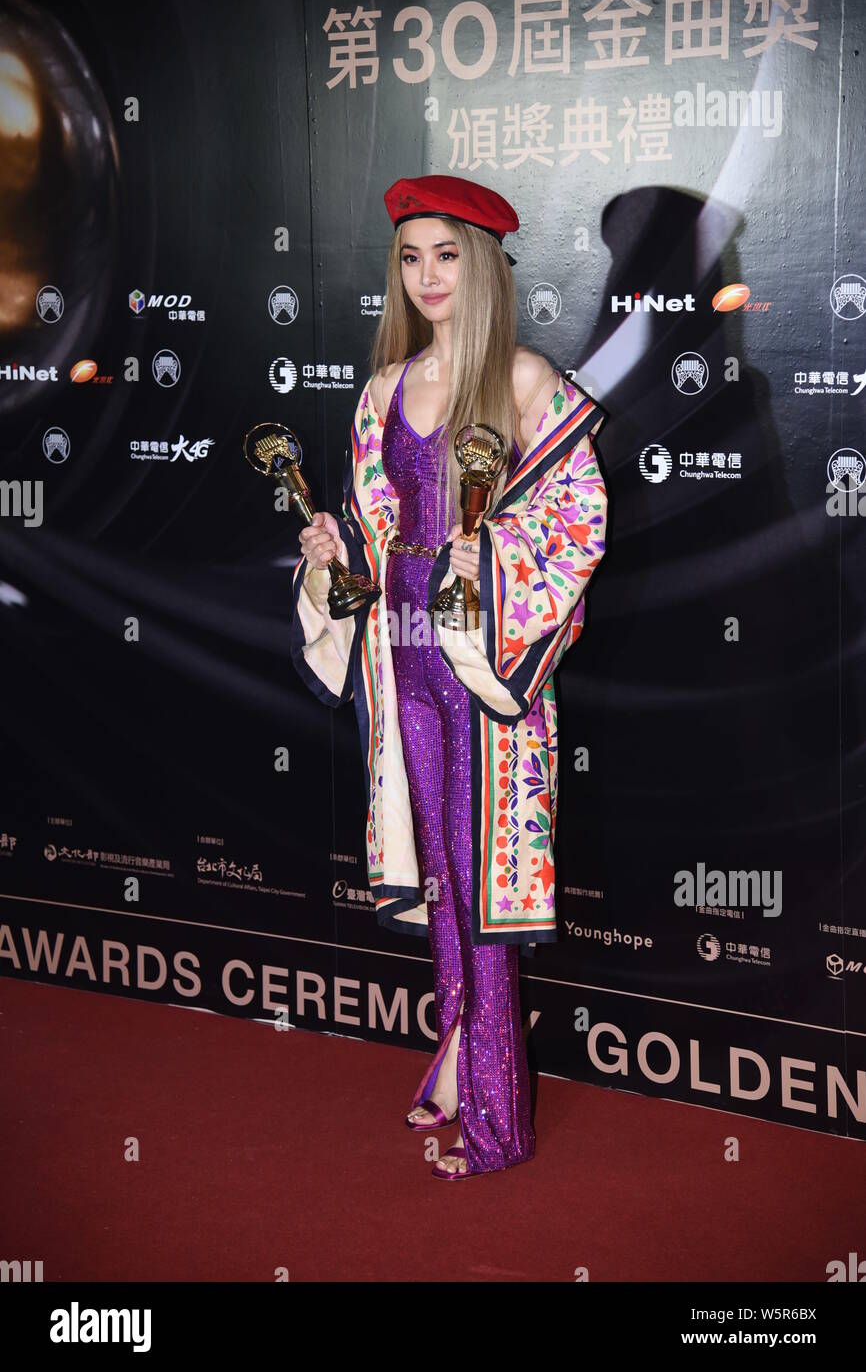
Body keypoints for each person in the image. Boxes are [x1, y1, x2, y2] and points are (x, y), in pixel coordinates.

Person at [291, 174, 609, 1179]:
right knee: (435, 879)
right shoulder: (385, 387)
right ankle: (453, 1076)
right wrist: (329, 552)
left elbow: (578, 526)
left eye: (447, 253)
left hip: (481, 667)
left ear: (482, 263)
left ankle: (495, 1127)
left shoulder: (523, 380)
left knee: (479, 897)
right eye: (412, 256)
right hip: (401, 662)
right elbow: (374, 555)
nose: (428, 275)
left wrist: (500, 553)